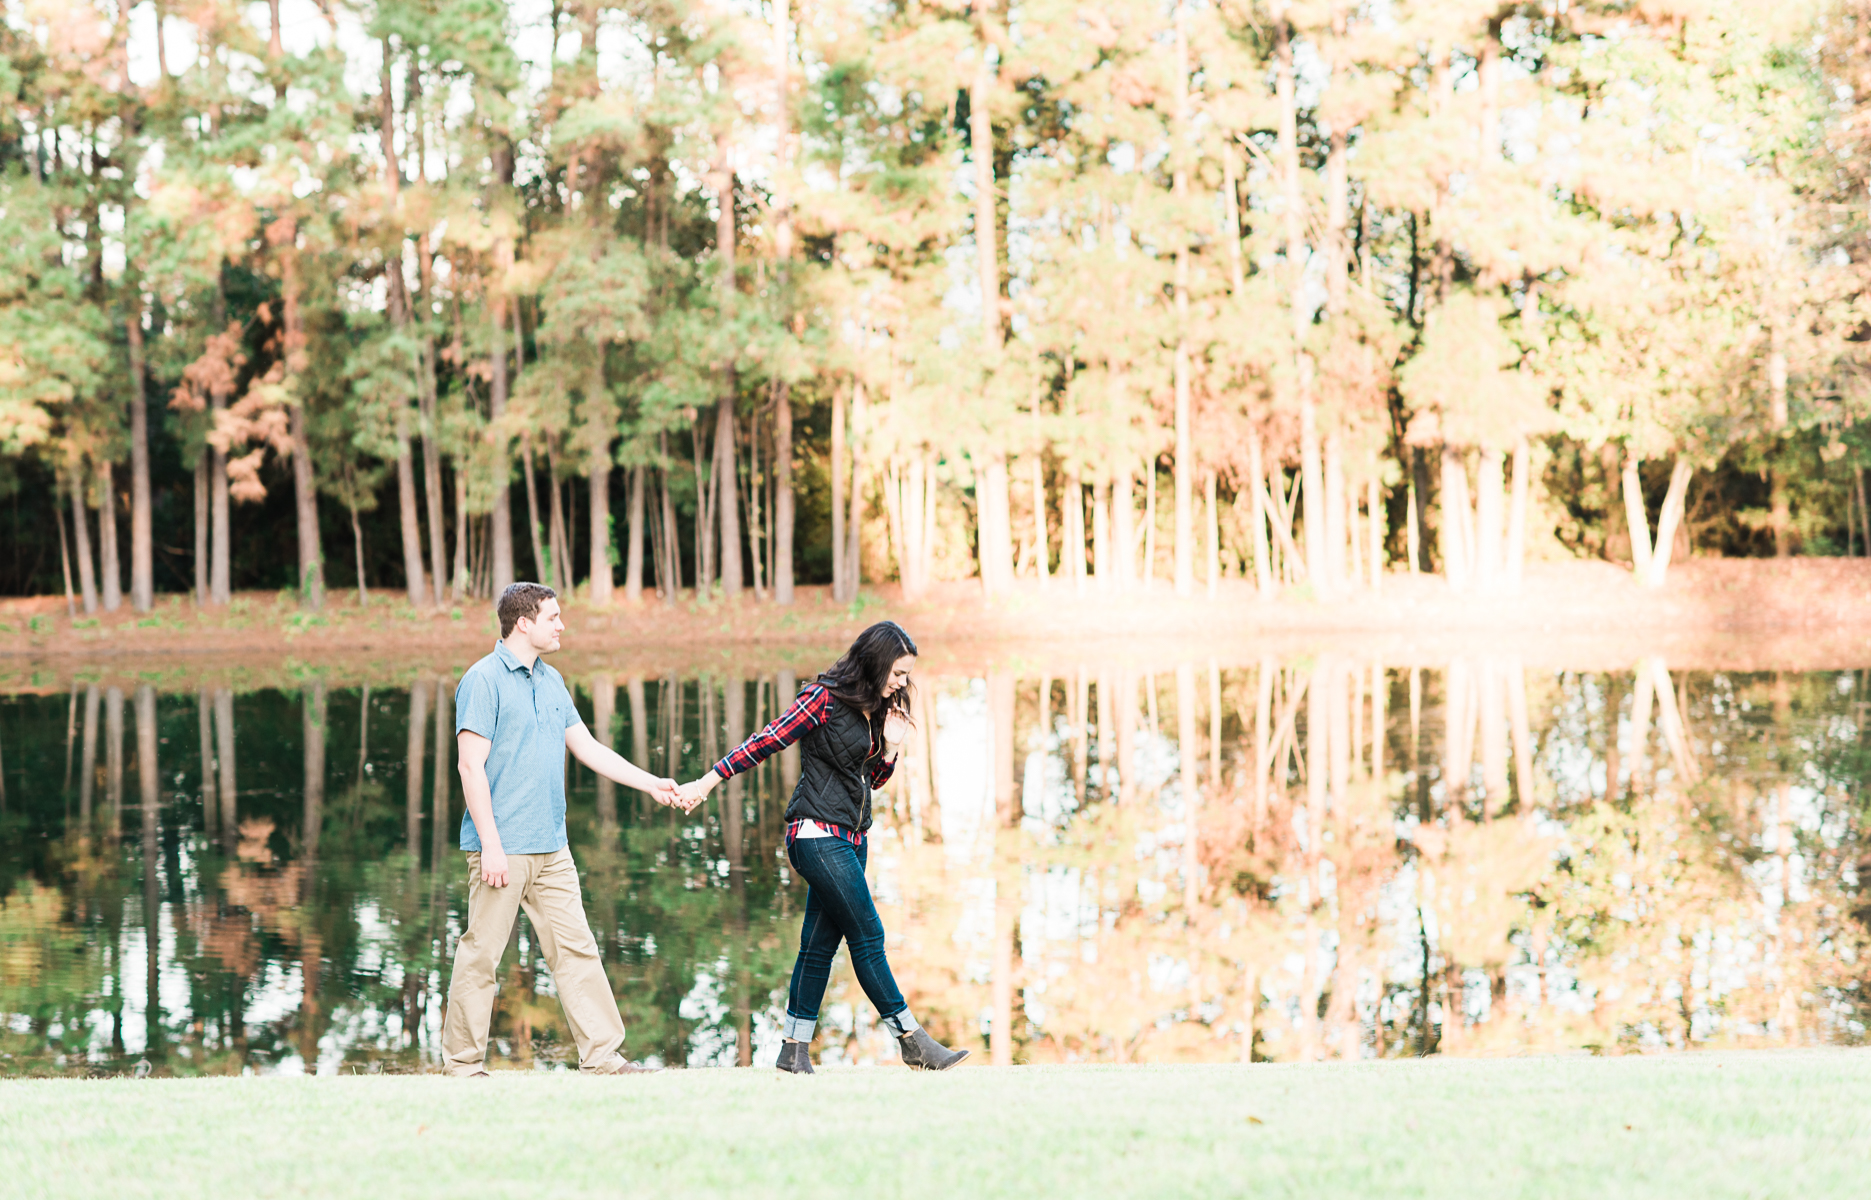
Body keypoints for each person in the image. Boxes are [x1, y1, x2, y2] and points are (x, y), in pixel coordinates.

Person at [676, 621, 968, 1073]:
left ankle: (793, 1050)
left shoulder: (875, 708)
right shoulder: (822, 699)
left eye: (906, 675)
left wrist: (889, 750)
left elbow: (866, 781)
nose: (902, 683)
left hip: (852, 841)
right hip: (815, 836)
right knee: (869, 937)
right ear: (875, 662)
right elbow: (767, 740)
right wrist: (708, 781)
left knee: (817, 948)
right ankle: (912, 1040)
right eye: (898, 673)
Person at [441, 582, 681, 1077]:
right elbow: (470, 768)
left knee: (576, 950)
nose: (561, 625)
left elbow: (588, 748)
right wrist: (491, 846)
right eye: (552, 617)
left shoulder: (551, 680)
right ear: (523, 623)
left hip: (553, 849)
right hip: (501, 849)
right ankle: (463, 1066)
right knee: (481, 956)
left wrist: (650, 783)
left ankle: (603, 1057)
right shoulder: (482, 681)